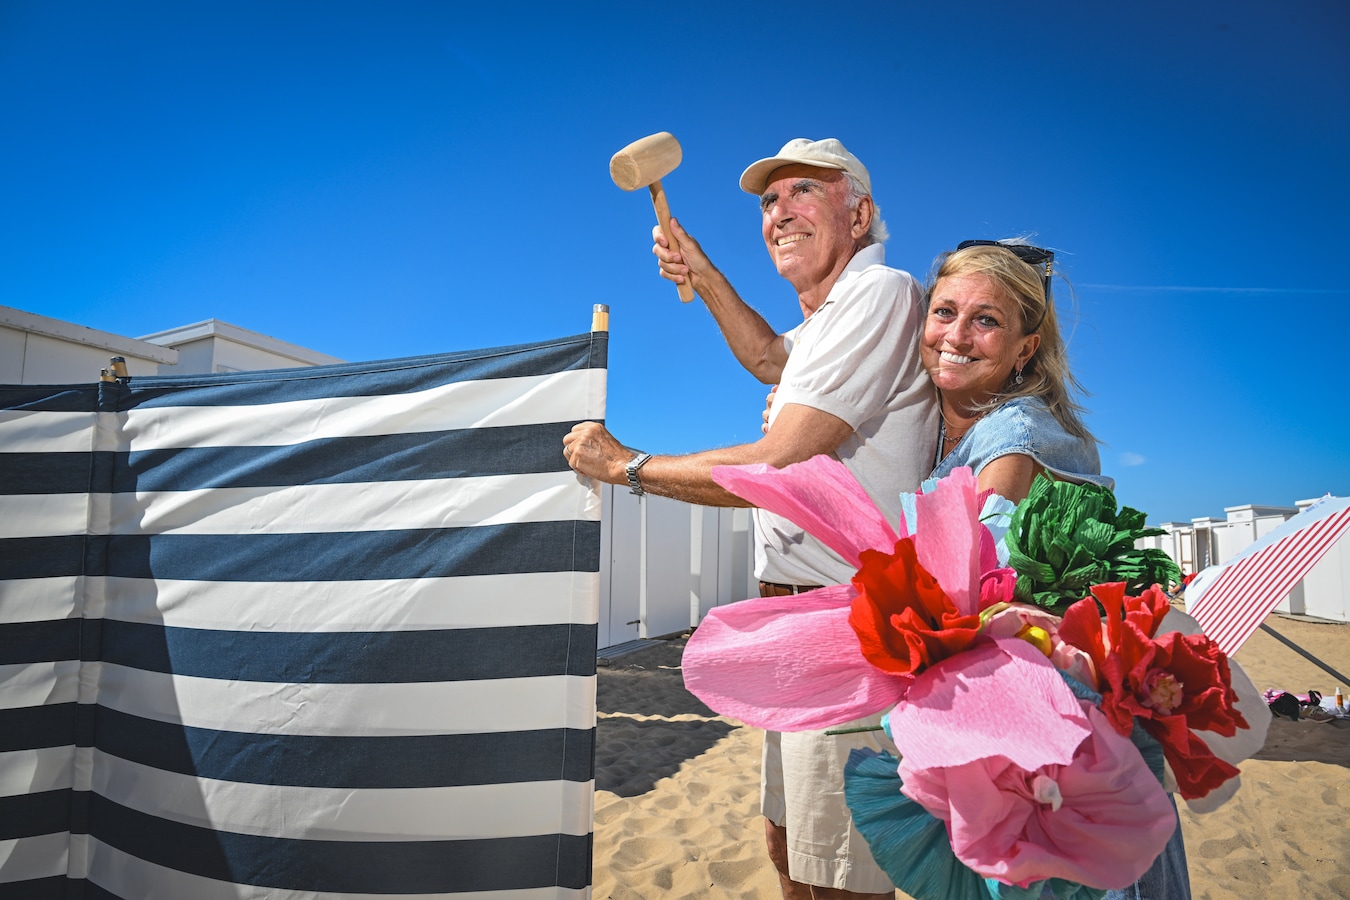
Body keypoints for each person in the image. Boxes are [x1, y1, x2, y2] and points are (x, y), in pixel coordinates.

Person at [564, 138, 938, 899]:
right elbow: (771, 356)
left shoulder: (880, 293)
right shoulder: (835, 314)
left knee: (839, 875)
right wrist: (701, 272)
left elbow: (784, 463)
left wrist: (627, 466)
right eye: (770, 202)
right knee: (788, 846)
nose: (778, 213)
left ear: (859, 215)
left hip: (854, 629)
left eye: (804, 192)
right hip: (798, 626)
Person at [920, 239, 1191, 899]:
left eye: (985, 320)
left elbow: (978, 591)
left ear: (1025, 348)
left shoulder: (1013, 439)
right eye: (944, 312)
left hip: (1042, 727)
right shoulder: (978, 427)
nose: (956, 335)